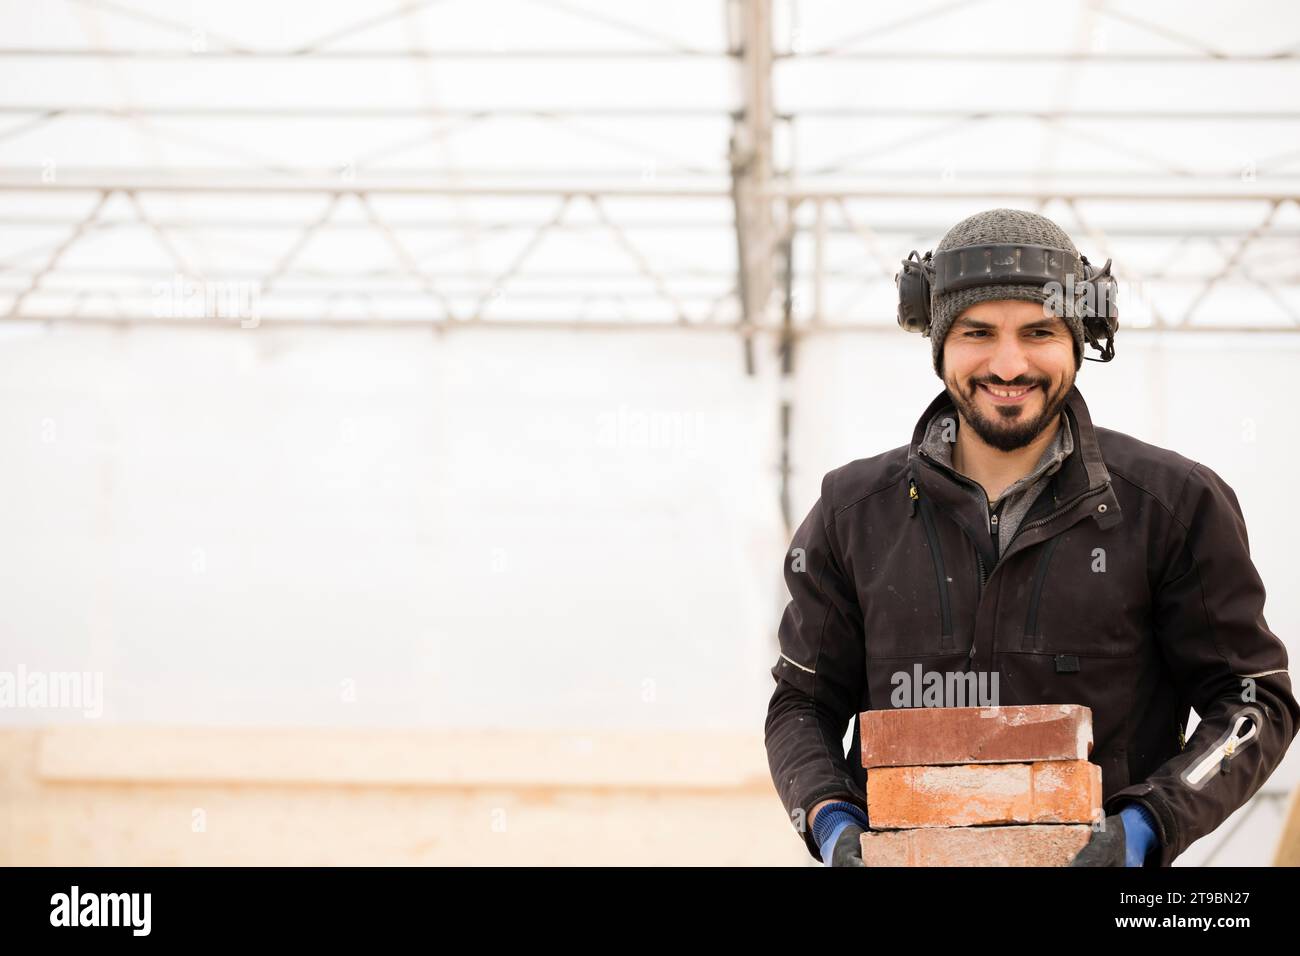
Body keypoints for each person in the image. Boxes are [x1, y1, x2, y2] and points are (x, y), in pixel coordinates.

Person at [763, 208, 1298, 867]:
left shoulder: (1173, 505)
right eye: (978, 332)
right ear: (939, 344)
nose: (1009, 363)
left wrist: (1145, 827)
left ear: (1079, 340)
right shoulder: (853, 511)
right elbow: (801, 703)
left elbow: (1253, 703)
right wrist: (832, 821)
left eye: (1039, 331)